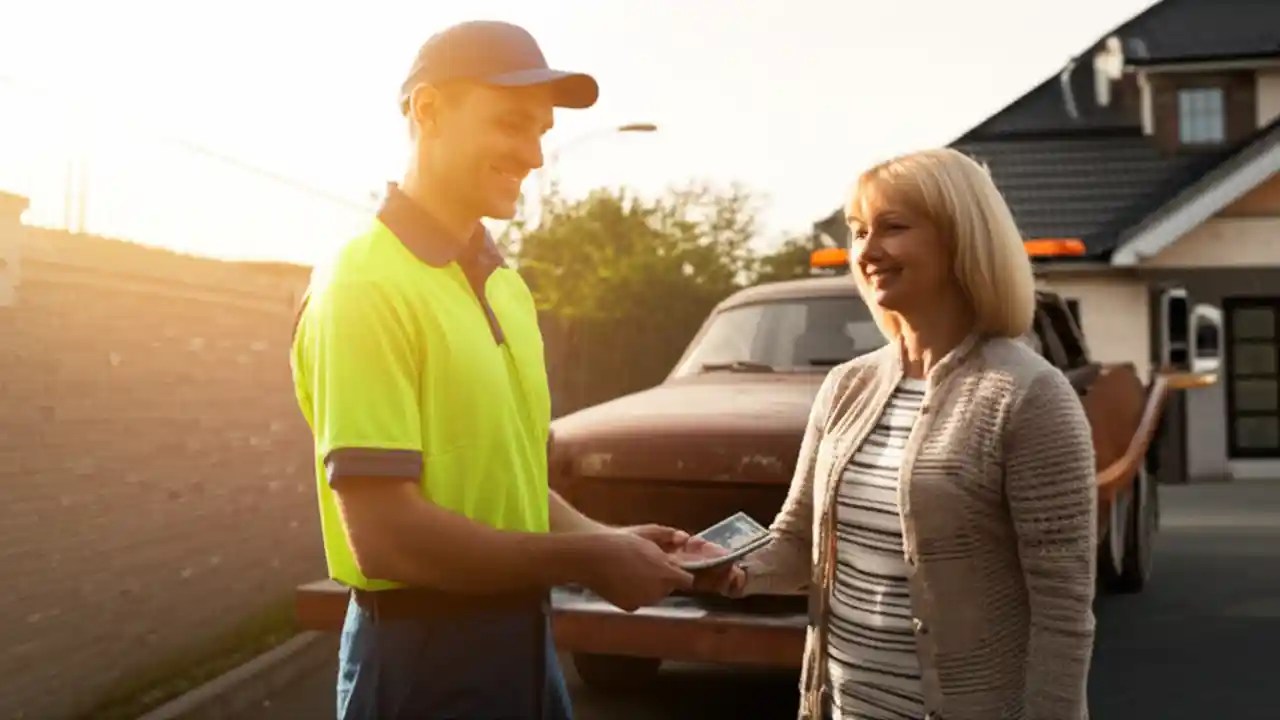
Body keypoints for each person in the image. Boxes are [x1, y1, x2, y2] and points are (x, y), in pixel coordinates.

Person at [289, 20, 695, 720]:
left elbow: (512, 485)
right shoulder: (363, 283)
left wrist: (606, 540)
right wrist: (588, 564)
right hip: (418, 658)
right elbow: (386, 539)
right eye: (512, 124)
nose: (535, 155)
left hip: (523, 640)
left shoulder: (506, 286)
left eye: (542, 131)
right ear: (428, 110)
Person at [698, 147, 1098, 720]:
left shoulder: (1031, 395)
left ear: (961, 238)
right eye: (859, 232)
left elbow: (1064, 612)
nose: (867, 250)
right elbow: (797, 541)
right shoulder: (846, 386)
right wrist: (731, 567)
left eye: (893, 227)